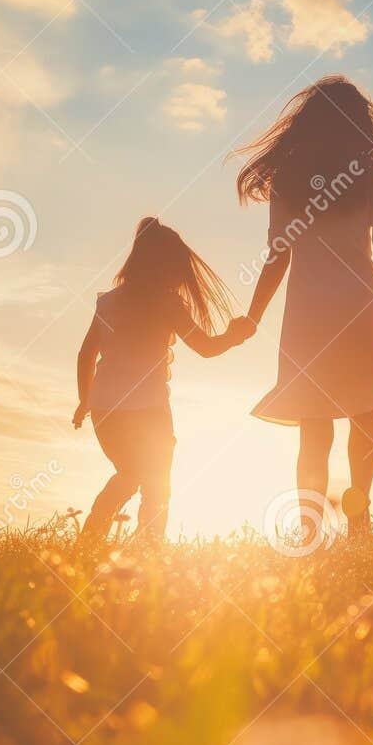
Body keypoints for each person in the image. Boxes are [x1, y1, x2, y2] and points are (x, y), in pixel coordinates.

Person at [236, 76, 373, 542]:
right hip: (360, 309)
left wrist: (253, 316)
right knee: (364, 416)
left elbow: (277, 254)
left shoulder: (289, 179)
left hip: (307, 314)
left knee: (314, 426)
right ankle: (359, 523)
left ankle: (307, 529)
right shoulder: (368, 180)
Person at [73, 217, 252, 544]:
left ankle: (88, 544)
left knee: (129, 476)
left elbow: (86, 356)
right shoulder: (168, 303)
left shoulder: (108, 302)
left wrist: (86, 399)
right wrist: (233, 336)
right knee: (155, 484)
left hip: (106, 409)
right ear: (168, 267)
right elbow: (206, 348)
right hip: (148, 410)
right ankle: (148, 551)